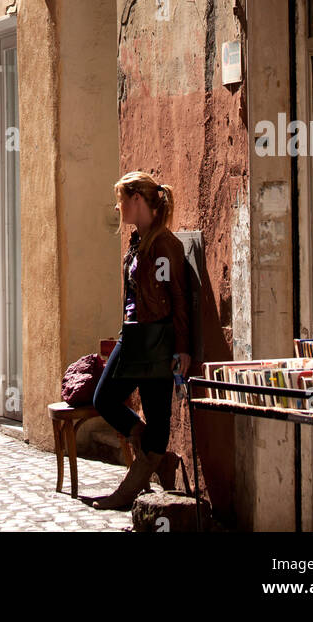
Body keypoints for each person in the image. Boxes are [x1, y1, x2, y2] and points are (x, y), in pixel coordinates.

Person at [88, 171, 191, 510]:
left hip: (157, 338)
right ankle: (157, 457)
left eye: (121, 200)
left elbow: (177, 297)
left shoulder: (164, 245)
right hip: (132, 336)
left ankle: (126, 493)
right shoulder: (137, 241)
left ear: (137, 200)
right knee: (104, 398)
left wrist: (183, 348)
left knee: (159, 418)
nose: (118, 208)